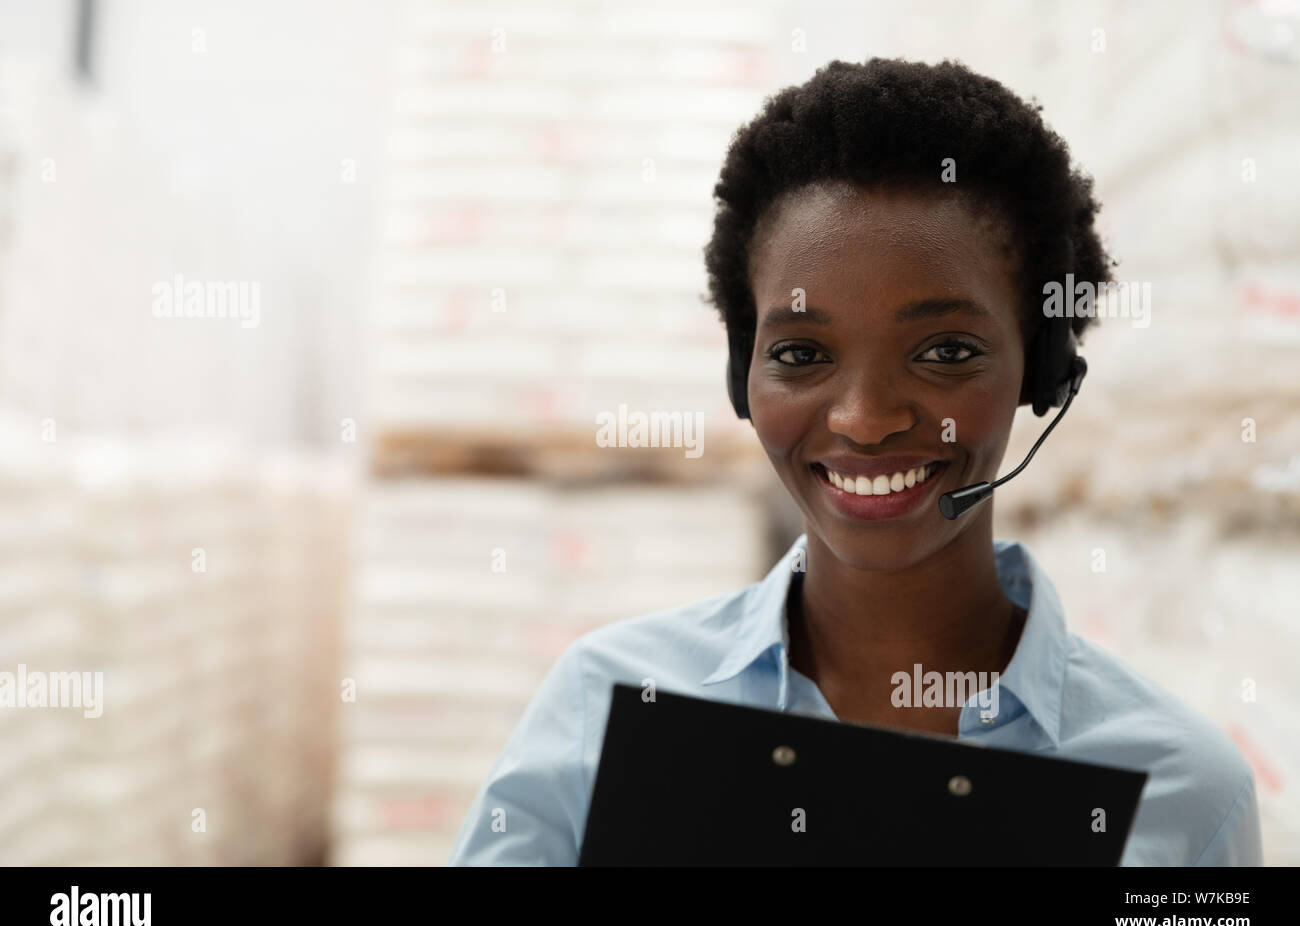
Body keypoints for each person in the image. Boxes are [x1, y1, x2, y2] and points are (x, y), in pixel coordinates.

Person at [447, 57, 1262, 866]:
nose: (864, 420)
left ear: (1042, 367)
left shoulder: (1183, 795)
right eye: (802, 353)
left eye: (945, 350)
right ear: (743, 372)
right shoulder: (606, 703)